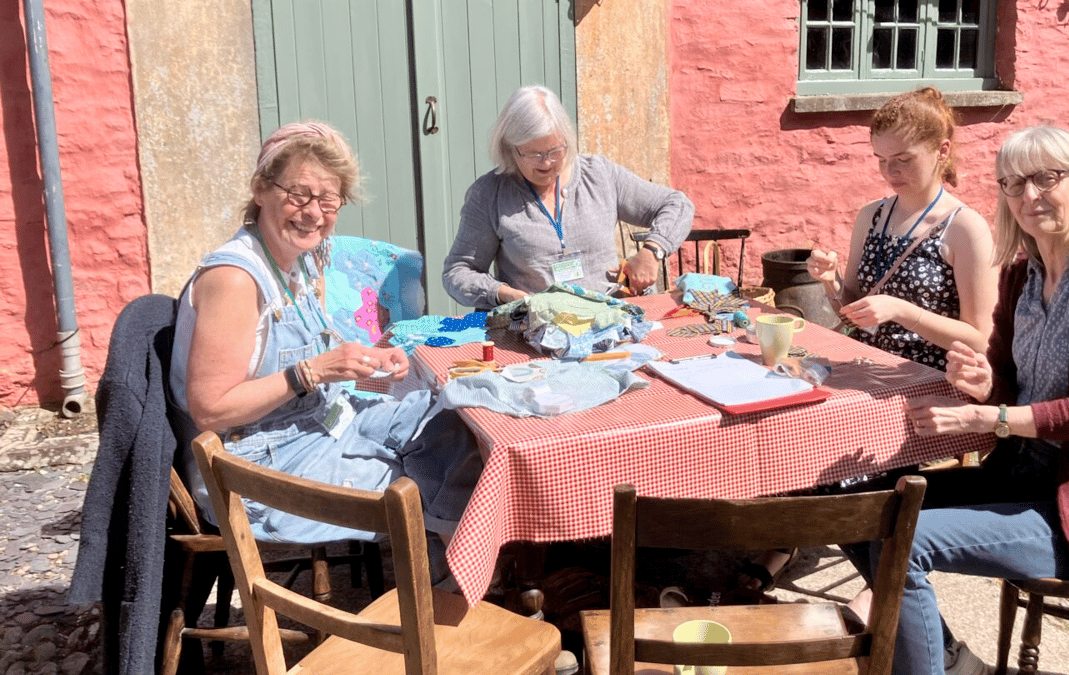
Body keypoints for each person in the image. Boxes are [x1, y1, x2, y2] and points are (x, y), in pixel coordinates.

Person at [883, 124, 1069, 675]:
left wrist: (992, 413)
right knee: (870, 508)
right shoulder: (1022, 273)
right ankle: (944, 658)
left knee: (906, 539)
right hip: (1019, 475)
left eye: (1046, 177)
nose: (1027, 195)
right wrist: (982, 381)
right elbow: (1009, 384)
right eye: (1013, 183)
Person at [170, 121, 481, 579]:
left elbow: (312, 355)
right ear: (260, 189)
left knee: (461, 422)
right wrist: (311, 372)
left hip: (326, 425)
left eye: (328, 199)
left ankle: (454, 585)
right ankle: (452, 605)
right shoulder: (235, 279)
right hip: (260, 469)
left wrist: (363, 359)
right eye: (299, 194)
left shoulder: (295, 261)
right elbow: (210, 409)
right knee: (427, 484)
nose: (313, 212)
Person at [443, 85, 694, 309]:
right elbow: (458, 272)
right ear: (510, 148)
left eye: (555, 150)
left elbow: (678, 205)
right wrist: (501, 293)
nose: (547, 163)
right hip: (536, 328)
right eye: (533, 154)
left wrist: (652, 251)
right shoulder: (490, 194)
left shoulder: (599, 175)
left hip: (613, 317)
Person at [807, 87, 998, 371]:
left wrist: (902, 311)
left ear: (942, 151)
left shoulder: (964, 228)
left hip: (928, 383)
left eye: (904, 159)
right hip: (863, 368)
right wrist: (829, 280)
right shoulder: (871, 216)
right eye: (881, 159)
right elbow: (852, 313)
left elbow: (981, 341)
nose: (890, 171)